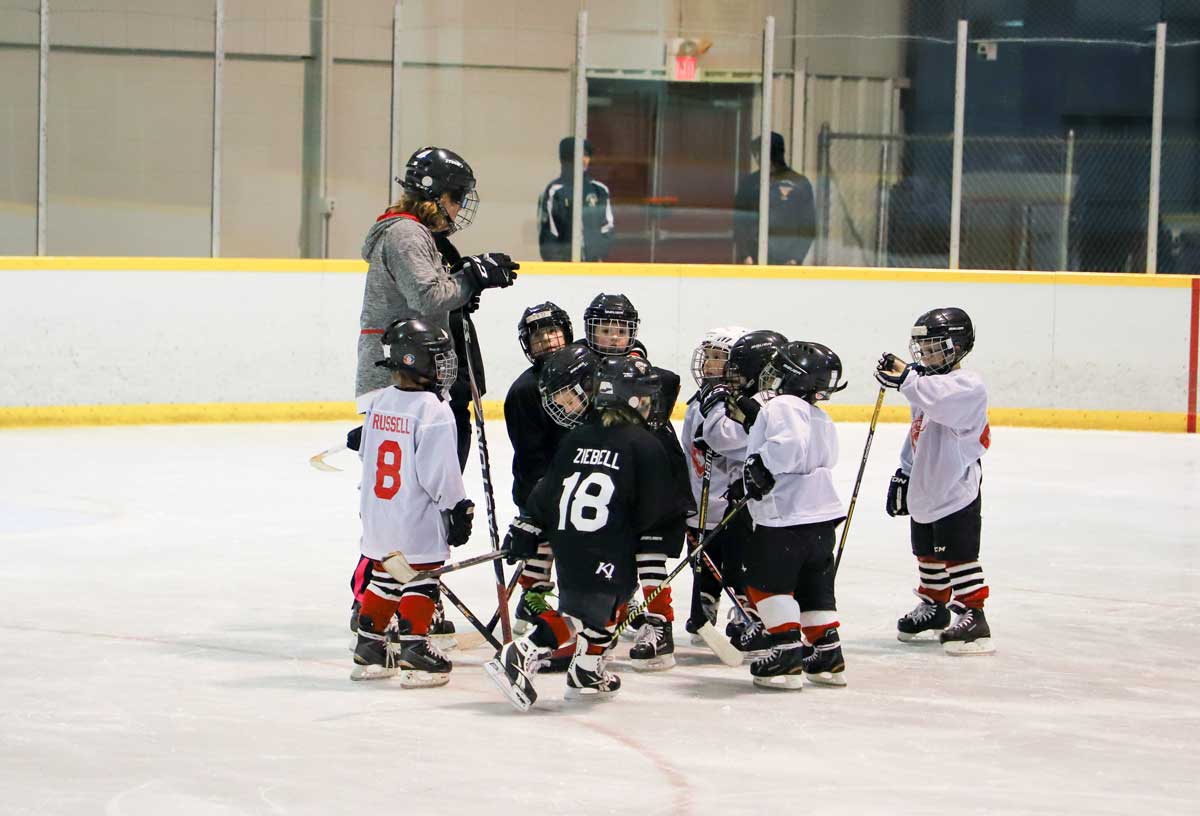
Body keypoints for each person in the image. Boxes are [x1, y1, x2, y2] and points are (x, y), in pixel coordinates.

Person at [349, 146, 516, 640]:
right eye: (455, 196)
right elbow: (428, 296)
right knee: (405, 504)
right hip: (398, 380)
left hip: (413, 377)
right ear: (430, 194)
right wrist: (471, 277)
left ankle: (408, 602)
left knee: (415, 503)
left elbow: (433, 296)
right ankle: (373, 602)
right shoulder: (405, 234)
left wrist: (467, 283)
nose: (459, 205)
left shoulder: (417, 234)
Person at [485, 356, 689, 711]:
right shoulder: (645, 445)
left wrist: (527, 525)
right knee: (586, 614)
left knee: (610, 609)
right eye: (643, 398)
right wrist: (666, 533)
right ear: (629, 399)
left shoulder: (576, 437)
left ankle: (586, 671)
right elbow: (655, 509)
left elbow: (547, 491)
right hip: (606, 544)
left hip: (570, 542)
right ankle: (523, 651)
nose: (648, 404)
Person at [350, 318, 474, 686]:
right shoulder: (433, 410)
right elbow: (440, 472)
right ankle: (416, 650)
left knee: (387, 574)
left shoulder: (380, 402)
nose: (443, 365)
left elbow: (367, 457)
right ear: (411, 360)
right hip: (414, 517)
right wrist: (457, 507)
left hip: (378, 515)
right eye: (436, 357)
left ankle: (369, 646)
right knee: (422, 577)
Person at [728, 341, 848, 690]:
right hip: (822, 517)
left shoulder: (780, 405)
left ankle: (785, 652)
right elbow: (825, 456)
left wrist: (761, 465)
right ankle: (827, 652)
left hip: (785, 517)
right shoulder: (820, 416)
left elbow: (789, 447)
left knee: (765, 584)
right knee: (814, 587)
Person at [875, 307, 993, 656]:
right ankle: (934, 606)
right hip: (927, 483)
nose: (925, 355)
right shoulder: (925, 383)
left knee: (958, 555)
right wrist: (905, 471)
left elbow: (938, 401)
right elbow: (919, 431)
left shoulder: (968, 385)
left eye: (933, 348)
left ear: (956, 347)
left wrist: (907, 379)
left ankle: (974, 615)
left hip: (955, 488)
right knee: (925, 549)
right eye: (921, 349)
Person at [696, 329, 788, 652]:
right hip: (740, 501)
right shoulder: (739, 397)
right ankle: (746, 612)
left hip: (761, 505)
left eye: (729, 362)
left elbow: (727, 438)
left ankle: (756, 615)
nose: (718, 367)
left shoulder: (764, 403)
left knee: (749, 562)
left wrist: (715, 413)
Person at [504, 303, 574, 636]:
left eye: (552, 332)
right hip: (539, 483)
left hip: (581, 483)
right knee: (542, 543)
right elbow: (530, 456)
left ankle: (582, 600)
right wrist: (541, 500)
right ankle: (532, 598)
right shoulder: (524, 391)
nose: (546, 341)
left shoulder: (588, 375)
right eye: (537, 336)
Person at [679, 326, 748, 644]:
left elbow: (743, 445)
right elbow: (687, 451)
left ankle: (744, 611)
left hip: (734, 504)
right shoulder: (699, 402)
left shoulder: (744, 405)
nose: (709, 364)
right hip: (700, 501)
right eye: (708, 356)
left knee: (738, 564)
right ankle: (704, 609)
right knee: (702, 561)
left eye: (718, 357)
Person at [733, 132, 816, 265]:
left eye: (759, 154)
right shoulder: (750, 183)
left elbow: (808, 226)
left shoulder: (799, 184)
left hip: (786, 264)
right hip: (754, 261)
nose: (757, 159)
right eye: (756, 155)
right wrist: (745, 255)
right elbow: (739, 222)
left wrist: (796, 258)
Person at [538, 137, 615, 262]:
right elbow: (549, 236)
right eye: (579, 154)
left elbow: (607, 230)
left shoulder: (599, 190)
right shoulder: (555, 191)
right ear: (566, 158)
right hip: (563, 270)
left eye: (587, 155)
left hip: (592, 268)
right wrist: (561, 268)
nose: (584, 159)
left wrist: (593, 256)